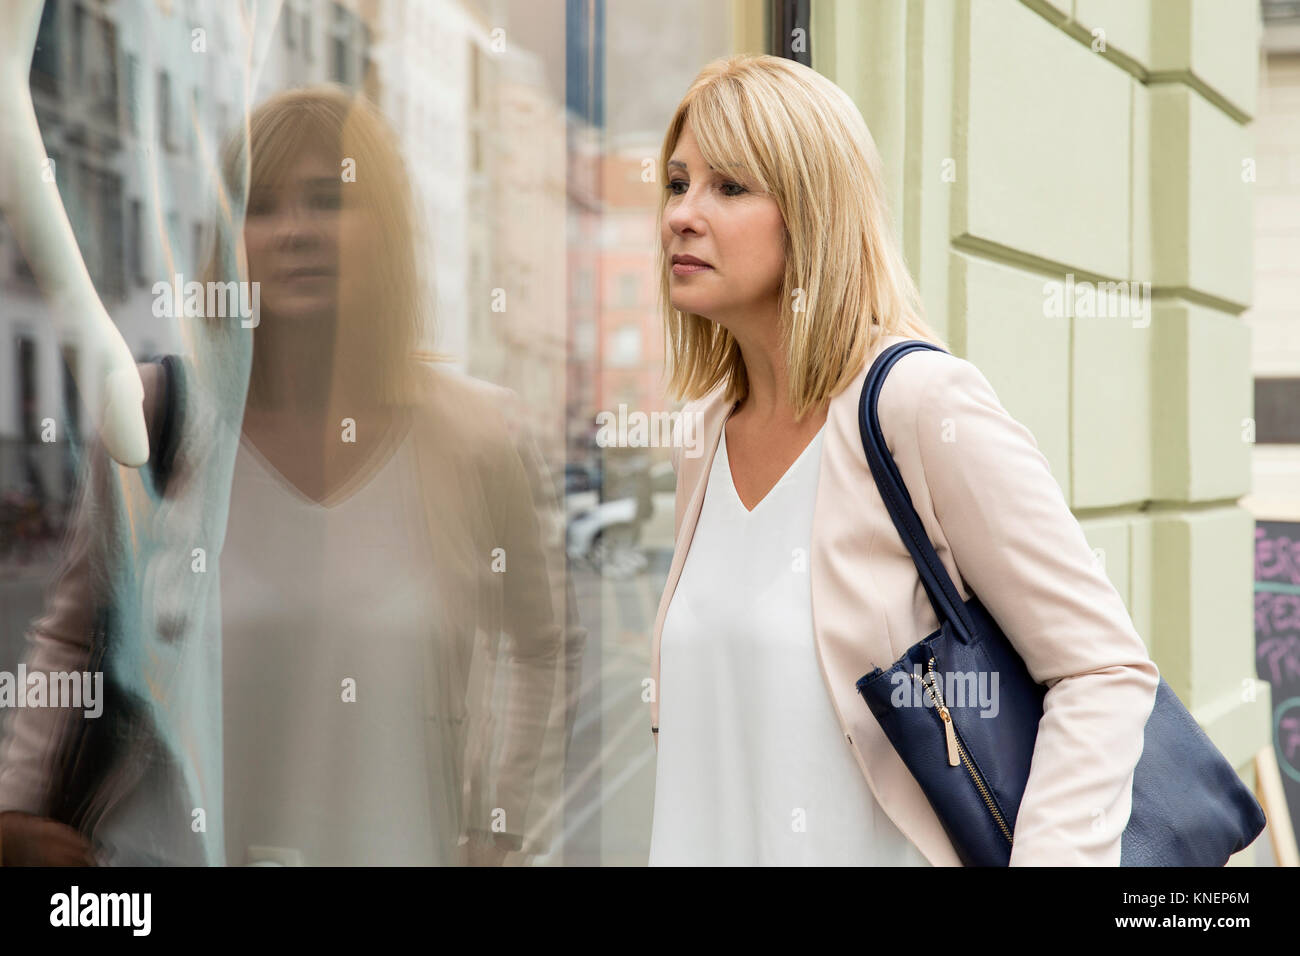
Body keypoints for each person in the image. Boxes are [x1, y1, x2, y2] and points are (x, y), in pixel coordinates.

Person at [0, 85, 581, 866]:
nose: (296, 231)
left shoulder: (477, 437)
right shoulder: (155, 416)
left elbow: (544, 646)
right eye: (262, 207)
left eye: (329, 199)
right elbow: (73, 638)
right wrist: (18, 815)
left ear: (388, 229)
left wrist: (503, 826)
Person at [646, 54, 1160, 866]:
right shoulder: (701, 437)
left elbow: (1104, 669)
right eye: (677, 184)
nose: (682, 214)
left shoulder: (919, 406)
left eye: (730, 187)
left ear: (812, 213)